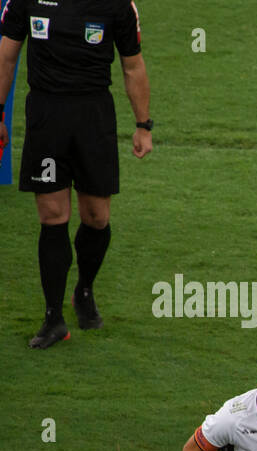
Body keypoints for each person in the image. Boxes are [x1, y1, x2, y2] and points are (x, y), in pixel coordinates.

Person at [0, 0, 152, 349]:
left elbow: (133, 65)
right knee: (53, 215)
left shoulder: (117, 4)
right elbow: (6, 56)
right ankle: (53, 316)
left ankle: (84, 289)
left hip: (93, 116)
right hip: (46, 115)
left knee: (96, 217)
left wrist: (143, 125)